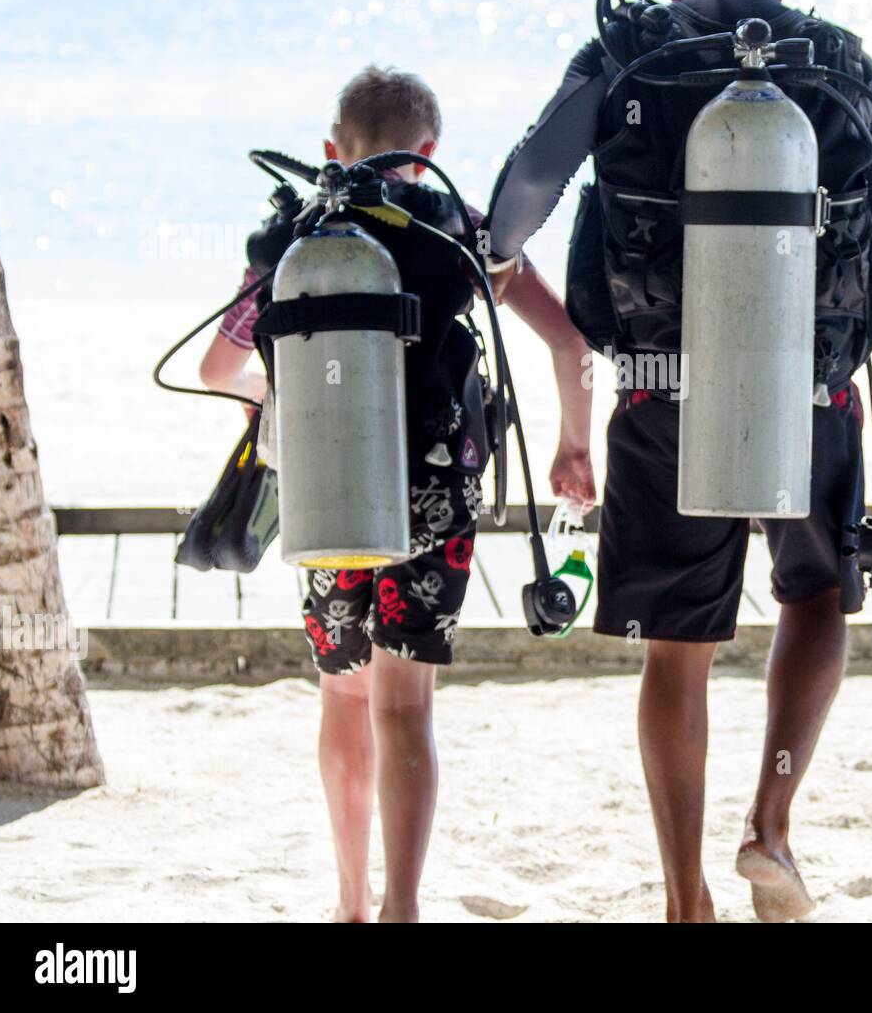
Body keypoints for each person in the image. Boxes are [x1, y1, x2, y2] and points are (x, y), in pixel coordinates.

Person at [484, 0, 872, 922]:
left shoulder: (630, 48)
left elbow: (515, 207)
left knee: (678, 646)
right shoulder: (838, 62)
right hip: (814, 399)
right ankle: (770, 822)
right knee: (812, 600)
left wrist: (505, 272)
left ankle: (684, 897)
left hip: (657, 398)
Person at [202, 64, 594, 922]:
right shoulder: (460, 232)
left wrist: (295, 405)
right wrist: (574, 449)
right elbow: (570, 345)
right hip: (433, 492)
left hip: (323, 486)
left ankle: (349, 901)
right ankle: (402, 909)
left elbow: (217, 368)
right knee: (404, 705)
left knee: (343, 691)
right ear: (429, 153)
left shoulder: (294, 240)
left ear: (331, 151)